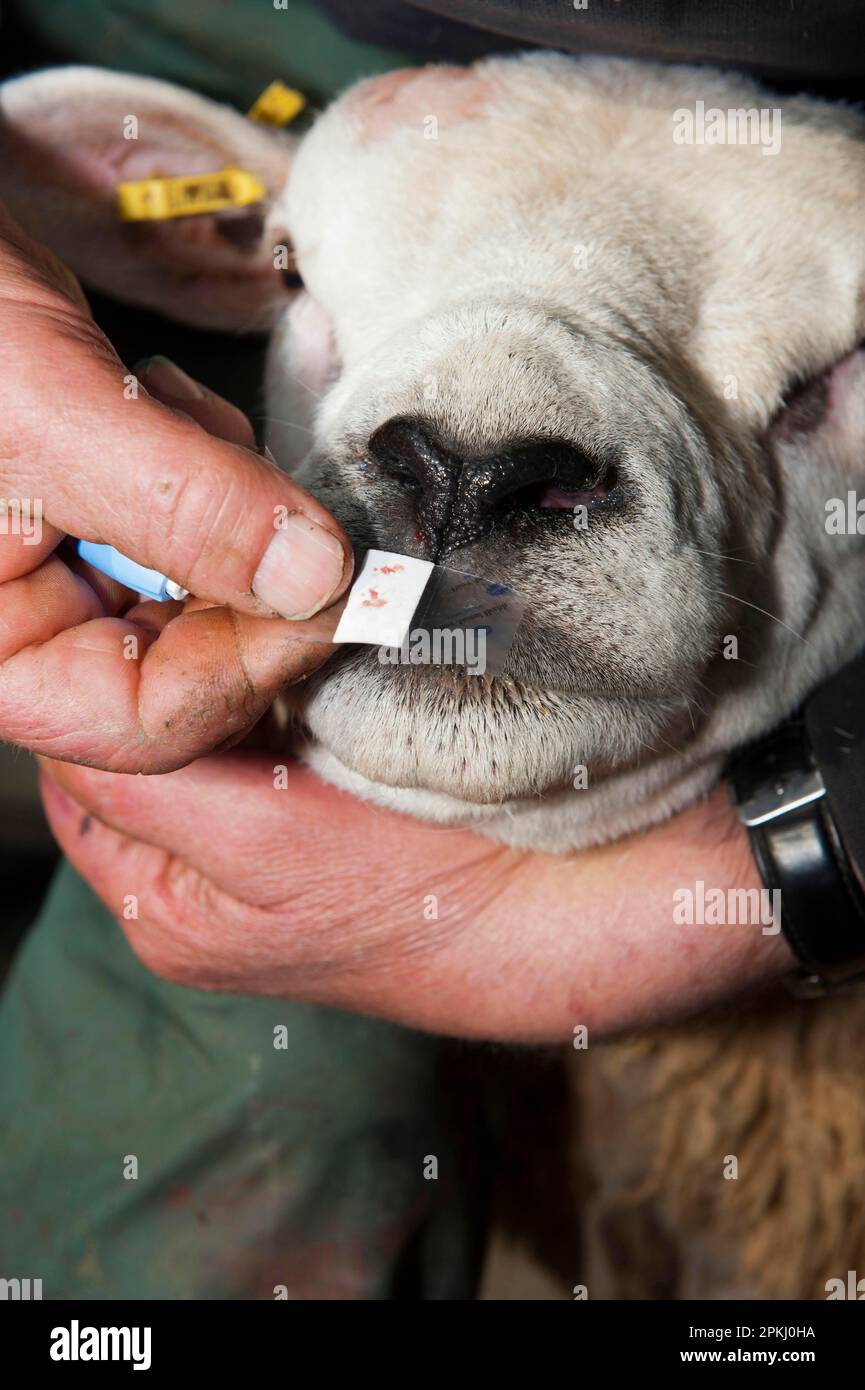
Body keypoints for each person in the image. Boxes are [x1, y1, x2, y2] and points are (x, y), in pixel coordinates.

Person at [0, 0, 818, 1300]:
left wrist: (787, 855)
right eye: (302, 280)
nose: (462, 469)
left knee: (246, 1108)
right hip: (272, 81)